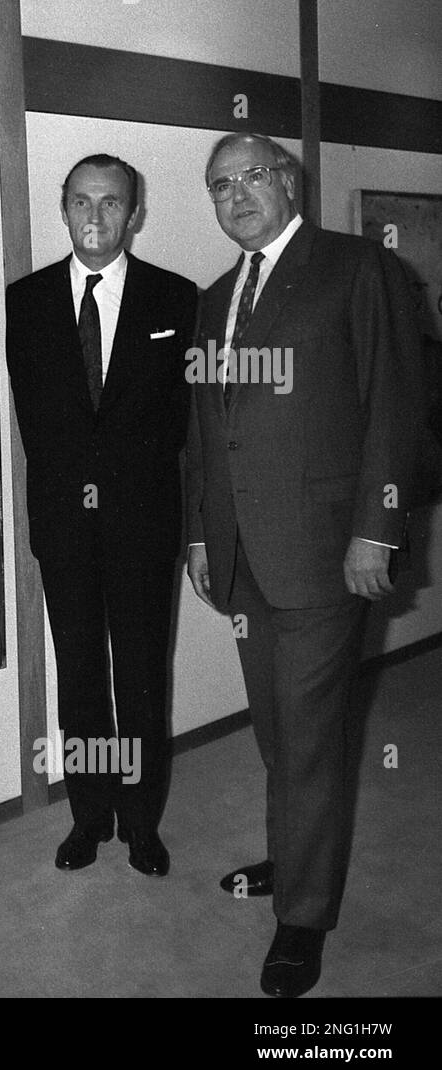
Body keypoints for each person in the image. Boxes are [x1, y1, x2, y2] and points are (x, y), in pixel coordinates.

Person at [185, 133, 426, 997]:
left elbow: (396, 404)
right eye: (220, 186)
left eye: (251, 176)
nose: (236, 195)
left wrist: (380, 528)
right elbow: (208, 431)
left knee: (314, 738)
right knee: (280, 731)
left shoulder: (358, 270)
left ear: (289, 181)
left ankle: (303, 915)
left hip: (329, 552)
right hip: (244, 555)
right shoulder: (215, 302)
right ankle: (292, 859)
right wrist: (202, 533)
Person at [6, 154, 197, 877]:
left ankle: (142, 822)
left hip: (144, 527)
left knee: (144, 677)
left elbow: (180, 423)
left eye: (111, 202)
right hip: (64, 527)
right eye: (82, 201)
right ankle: (90, 815)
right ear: (63, 209)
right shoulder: (24, 302)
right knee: (81, 676)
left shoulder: (174, 301)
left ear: (134, 212)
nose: (95, 216)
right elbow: (37, 422)